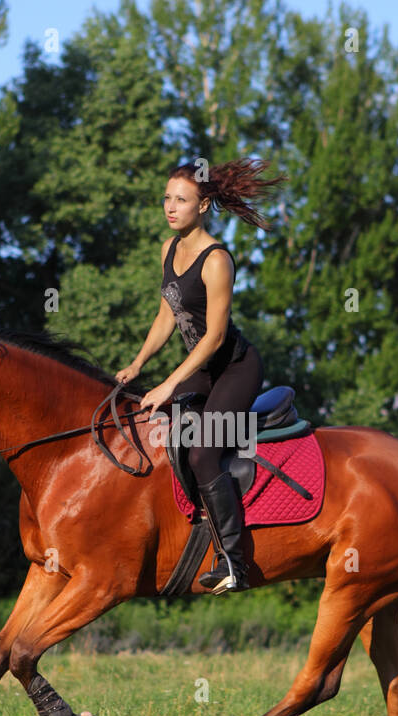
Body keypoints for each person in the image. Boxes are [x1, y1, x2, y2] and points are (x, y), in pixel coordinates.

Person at [115, 158, 286, 593]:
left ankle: (233, 563)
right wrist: (138, 364)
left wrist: (169, 383)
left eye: (181, 200)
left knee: (203, 454)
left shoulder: (217, 260)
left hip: (234, 369)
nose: (170, 207)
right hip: (203, 369)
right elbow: (166, 316)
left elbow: (214, 337)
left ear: (204, 205)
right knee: (155, 427)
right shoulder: (168, 249)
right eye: (167, 198)